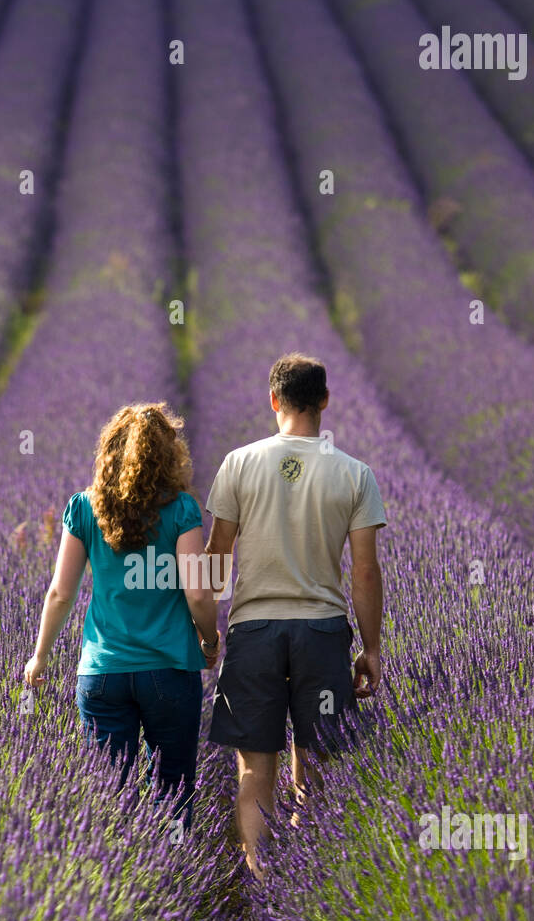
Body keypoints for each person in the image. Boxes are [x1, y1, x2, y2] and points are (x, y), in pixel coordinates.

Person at [205, 353, 387, 878]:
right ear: (325, 400)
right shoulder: (354, 473)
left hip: (253, 633)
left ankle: (263, 880)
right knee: (316, 766)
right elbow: (365, 572)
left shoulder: (239, 463)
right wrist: (371, 649)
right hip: (322, 633)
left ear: (273, 401)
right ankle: (309, 881)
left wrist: (208, 629)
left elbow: (218, 551)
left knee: (253, 772)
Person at [23, 403, 219, 827]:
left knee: (114, 799)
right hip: (168, 669)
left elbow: (60, 592)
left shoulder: (84, 508)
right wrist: (209, 641)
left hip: (102, 674)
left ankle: (129, 880)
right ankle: (174, 877)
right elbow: (199, 593)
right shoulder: (182, 510)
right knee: (173, 792)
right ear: (169, 455)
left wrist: (40, 655)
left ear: (109, 452)